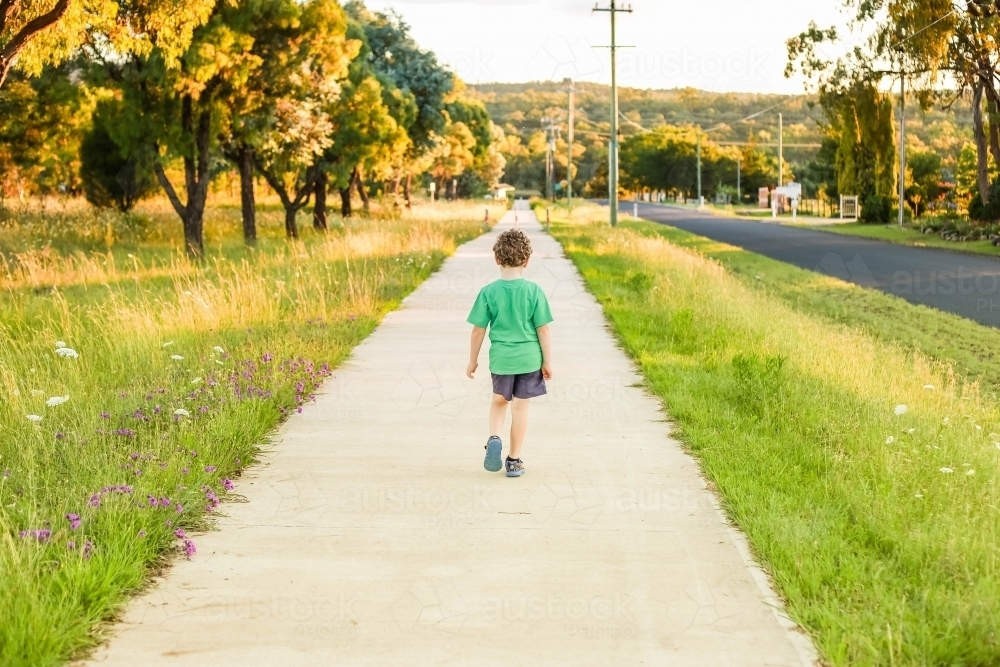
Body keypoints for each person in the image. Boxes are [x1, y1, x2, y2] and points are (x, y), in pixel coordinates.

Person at [466, 228, 553, 477]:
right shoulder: (534, 291)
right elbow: (544, 331)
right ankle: (514, 461)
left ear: (496, 259)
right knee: (521, 409)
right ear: (526, 261)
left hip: (501, 360)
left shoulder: (488, 292)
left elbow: (477, 331)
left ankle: (494, 437)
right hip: (528, 359)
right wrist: (547, 362)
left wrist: (472, 361)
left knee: (499, 401)